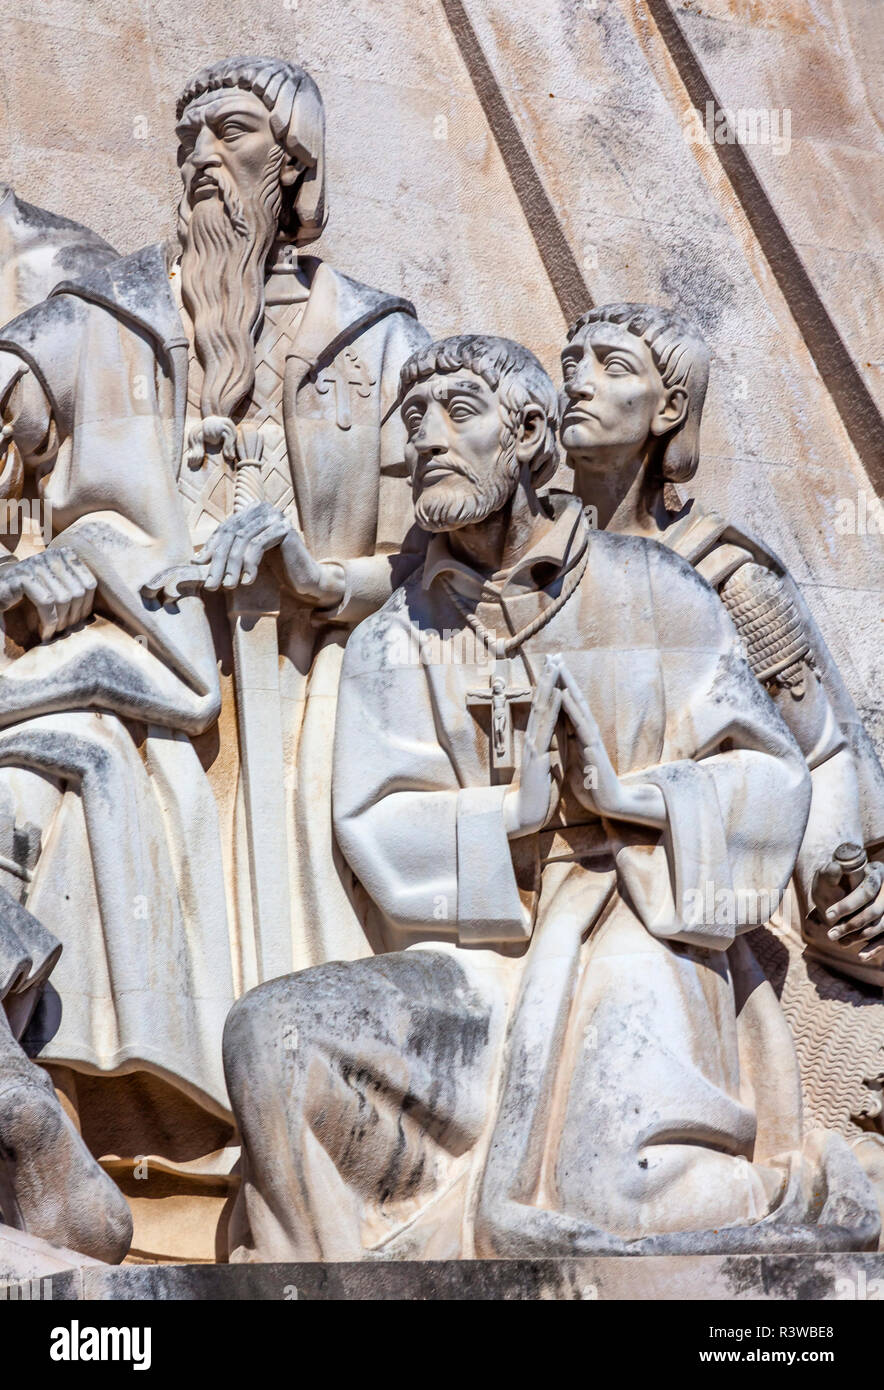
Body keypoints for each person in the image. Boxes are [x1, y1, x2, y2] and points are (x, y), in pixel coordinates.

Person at [223, 335, 878, 1261]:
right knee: (274, 1037)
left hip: (635, 926)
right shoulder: (395, 637)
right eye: (415, 419)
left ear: (530, 434)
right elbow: (376, 824)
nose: (427, 438)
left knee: (617, 1194)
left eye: (458, 413)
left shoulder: (654, 586)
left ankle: (813, 1190)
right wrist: (511, 818)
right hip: (482, 967)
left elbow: (771, 778)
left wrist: (630, 797)